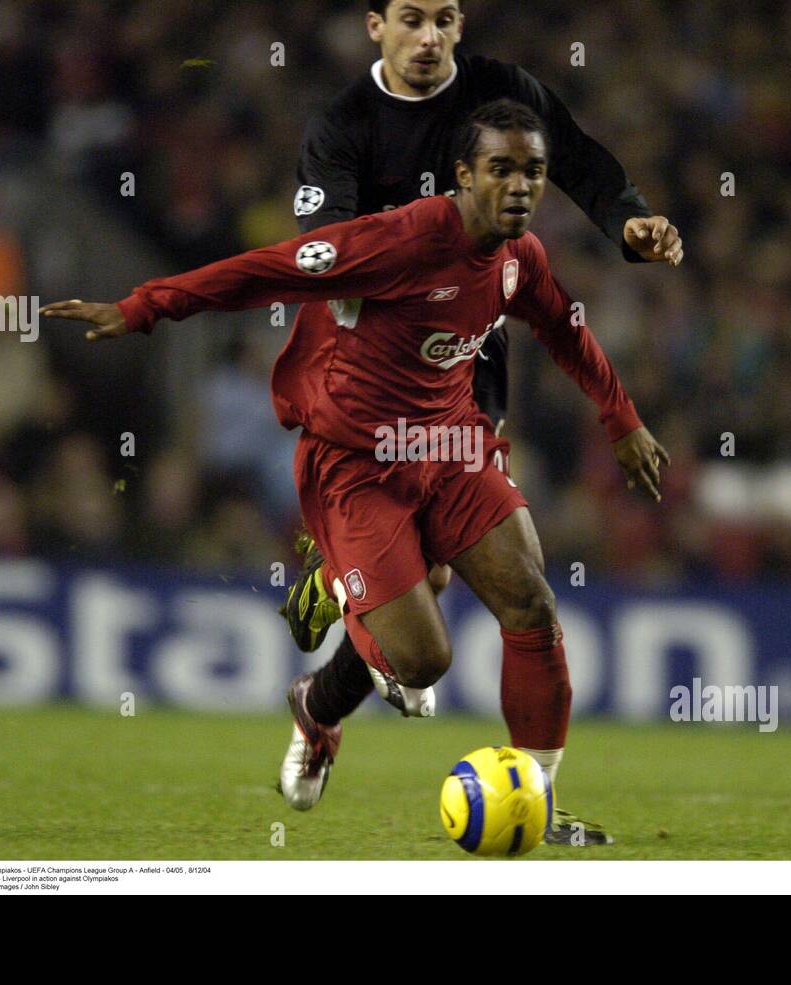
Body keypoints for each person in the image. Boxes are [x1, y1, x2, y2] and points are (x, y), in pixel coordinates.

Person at [42, 100, 669, 842]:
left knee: (532, 607)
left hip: (451, 448)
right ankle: (323, 687)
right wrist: (144, 306)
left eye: (534, 171)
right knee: (424, 660)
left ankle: (535, 797)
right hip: (357, 467)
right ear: (463, 175)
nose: (521, 186)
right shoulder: (399, 241)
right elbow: (264, 271)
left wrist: (621, 417)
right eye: (501, 169)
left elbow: (564, 326)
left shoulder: (518, 256)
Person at [280, 0, 681, 843]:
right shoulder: (345, 124)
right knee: (420, 603)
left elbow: (574, 157)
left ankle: (530, 793)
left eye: (445, 19)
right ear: (374, 26)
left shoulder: (503, 94)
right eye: (411, 19)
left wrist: (628, 218)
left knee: (515, 595)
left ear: (461, 26)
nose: (429, 38)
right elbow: (328, 250)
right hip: (363, 365)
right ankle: (331, 660)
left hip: (465, 355)